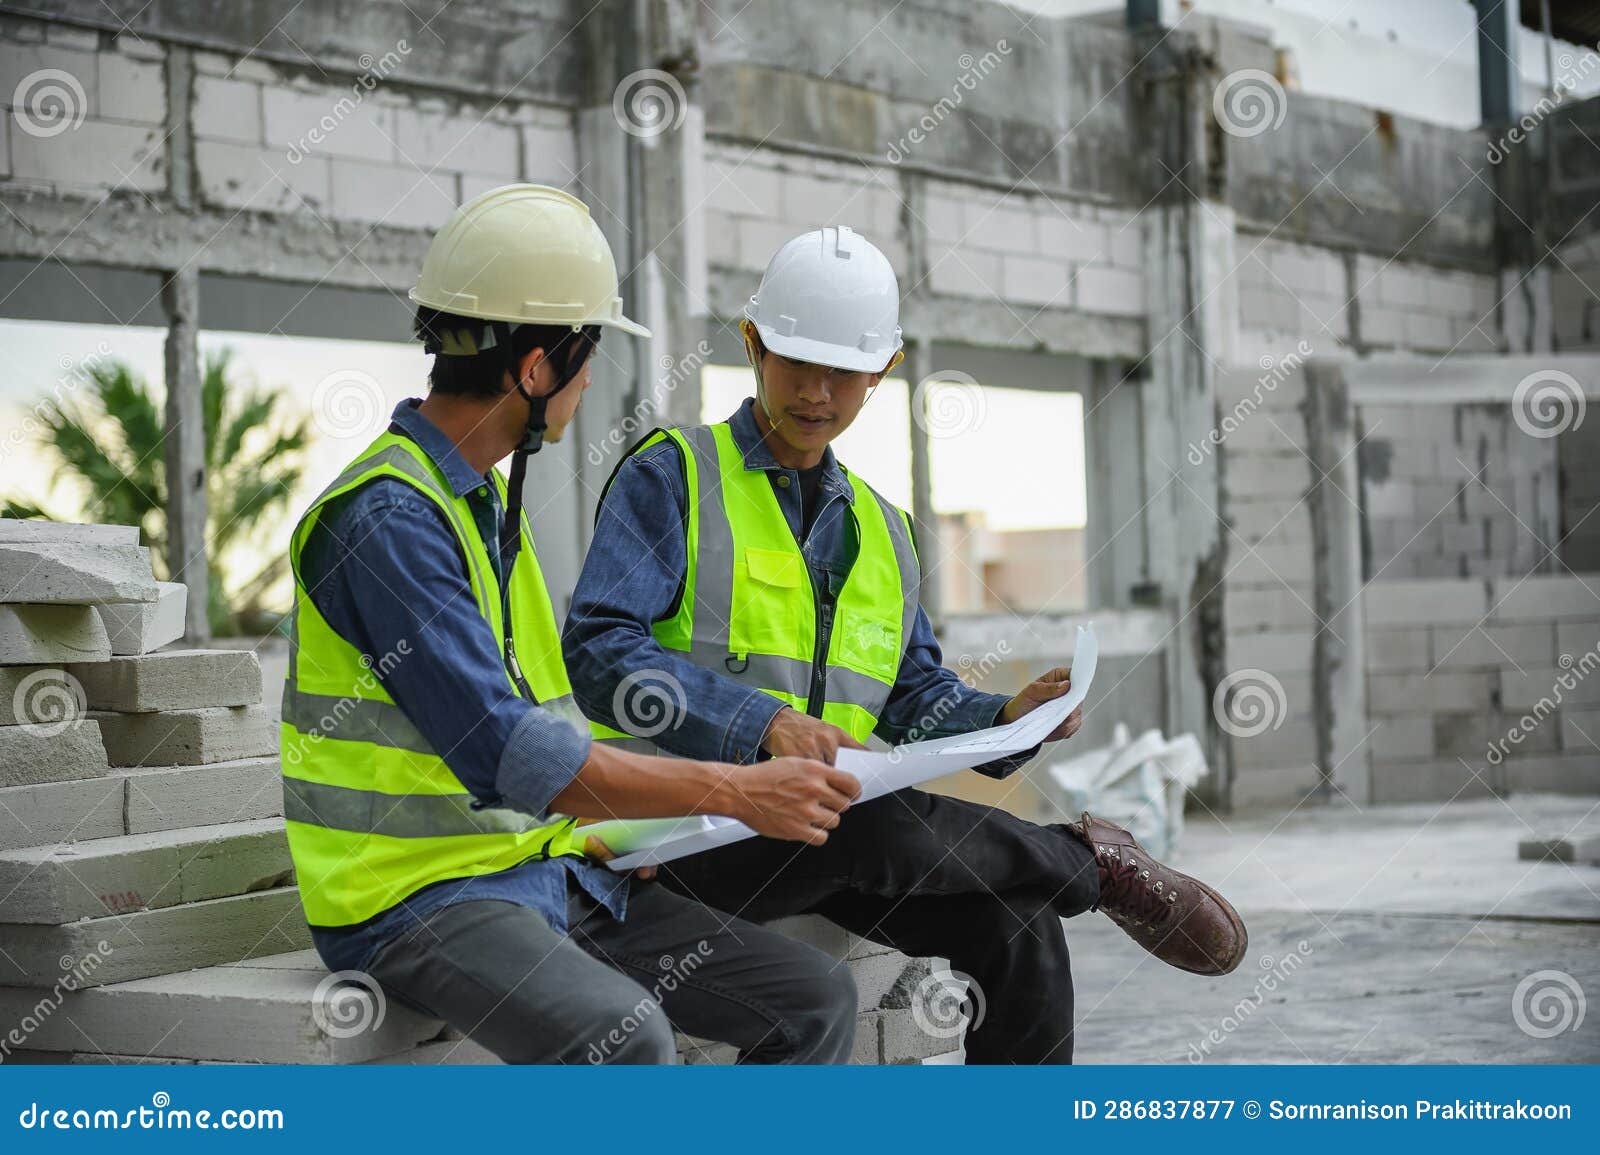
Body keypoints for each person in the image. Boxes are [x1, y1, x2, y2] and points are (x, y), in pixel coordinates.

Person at [563, 225, 1248, 1065]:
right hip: (678, 838)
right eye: (796, 362)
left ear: (881, 373)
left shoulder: (886, 531)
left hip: (820, 839)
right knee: (853, 814)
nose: (818, 391)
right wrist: (763, 725)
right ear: (752, 345)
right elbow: (600, 654)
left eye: (845, 371)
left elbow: (914, 700)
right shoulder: (673, 475)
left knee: (1018, 918)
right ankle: (1090, 864)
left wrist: (1003, 717)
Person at [280, 186, 867, 1065]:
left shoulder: (475, 502)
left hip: (535, 863)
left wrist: (616, 826)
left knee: (814, 1001)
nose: (591, 380)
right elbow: (506, 750)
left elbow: (539, 725)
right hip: (412, 898)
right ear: (535, 367)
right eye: (585, 354)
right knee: (625, 1039)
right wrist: (735, 789)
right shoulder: (389, 520)